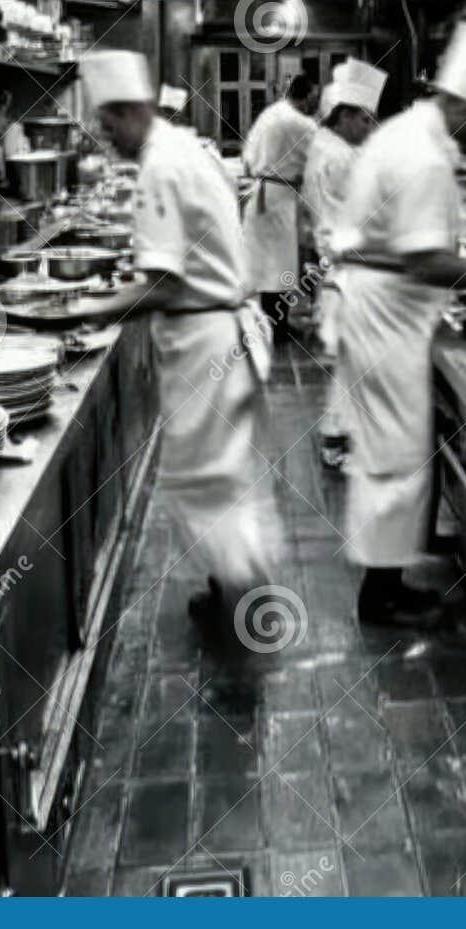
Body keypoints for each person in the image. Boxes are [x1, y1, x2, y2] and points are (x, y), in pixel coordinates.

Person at [77, 50, 284, 646]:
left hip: (205, 343)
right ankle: (232, 593)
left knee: (206, 481)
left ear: (129, 110)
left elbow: (163, 284)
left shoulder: (160, 167)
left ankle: (246, 618)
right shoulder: (185, 148)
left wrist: (86, 310)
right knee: (220, 474)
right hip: (222, 332)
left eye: (108, 125)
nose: (106, 137)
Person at [335, 21, 466, 625]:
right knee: (394, 453)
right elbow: (425, 259)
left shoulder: (411, 133)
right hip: (386, 316)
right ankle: (381, 597)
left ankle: (395, 565)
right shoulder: (422, 155)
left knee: (398, 448)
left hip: (383, 308)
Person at [302, 60, 386, 472]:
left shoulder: (327, 144)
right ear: (346, 116)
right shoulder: (340, 157)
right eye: (366, 120)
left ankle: (341, 439)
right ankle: (338, 443)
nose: (371, 128)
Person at [241, 74, 319, 344]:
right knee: (280, 267)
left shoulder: (269, 114)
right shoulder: (303, 124)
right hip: (281, 196)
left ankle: (272, 323)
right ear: (307, 97)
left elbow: (247, 157)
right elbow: (318, 162)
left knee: (267, 267)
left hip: (262, 191)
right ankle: (278, 327)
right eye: (313, 97)